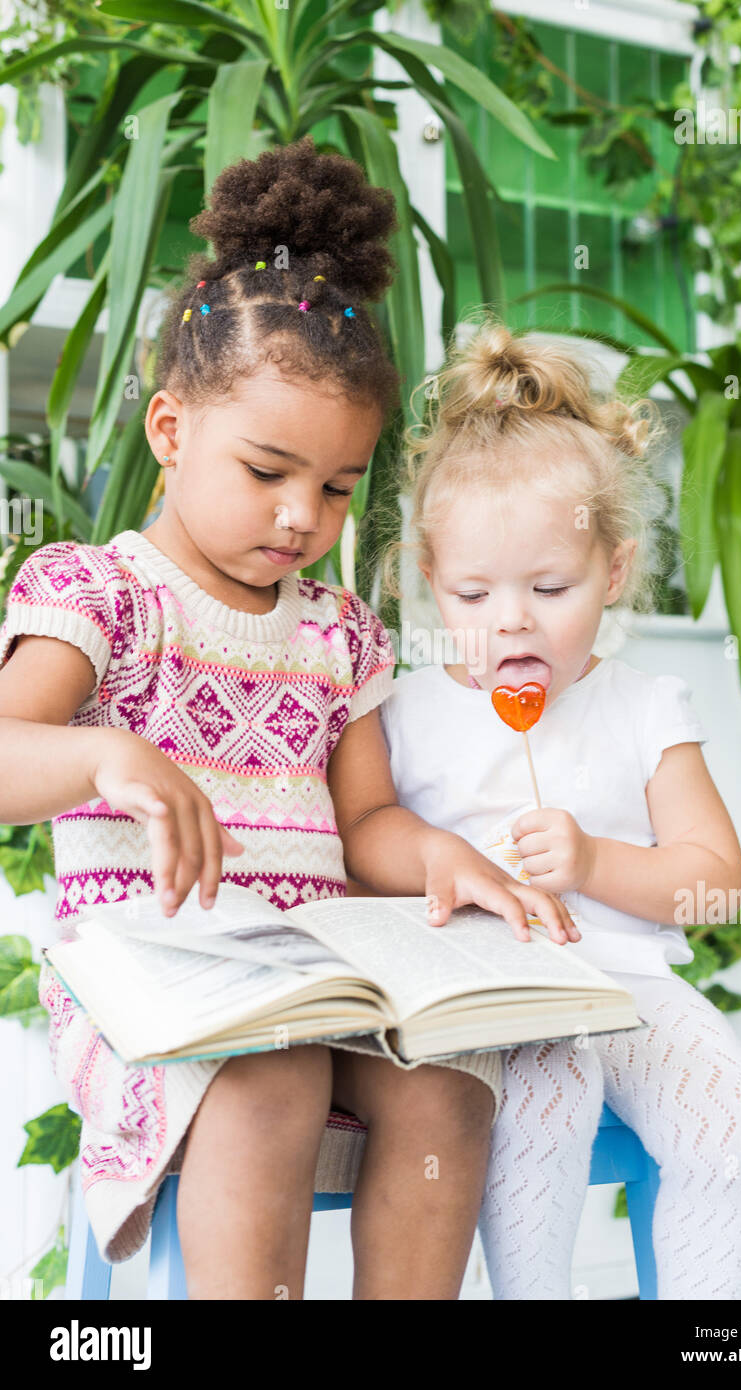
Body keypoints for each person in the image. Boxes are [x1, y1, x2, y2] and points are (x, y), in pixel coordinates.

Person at [0, 141, 576, 1301]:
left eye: (337, 486)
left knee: (448, 1084)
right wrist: (109, 755)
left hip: (317, 974)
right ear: (168, 431)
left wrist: (441, 858)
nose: (300, 514)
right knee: (271, 1080)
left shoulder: (338, 633)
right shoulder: (96, 594)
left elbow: (362, 819)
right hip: (151, 985)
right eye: (267, 470)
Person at [377, 315, 741, 1299]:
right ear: (432, 582)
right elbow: (367, 842)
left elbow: (712, 886)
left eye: (549, 586)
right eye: (472, 593)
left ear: (613, 571)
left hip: (632, 988)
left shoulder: (641, 708)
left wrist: (596, 862)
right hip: (496, 1005)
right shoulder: (408, 707)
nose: (510, 618)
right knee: (548, 1098)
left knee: (723, 1114)